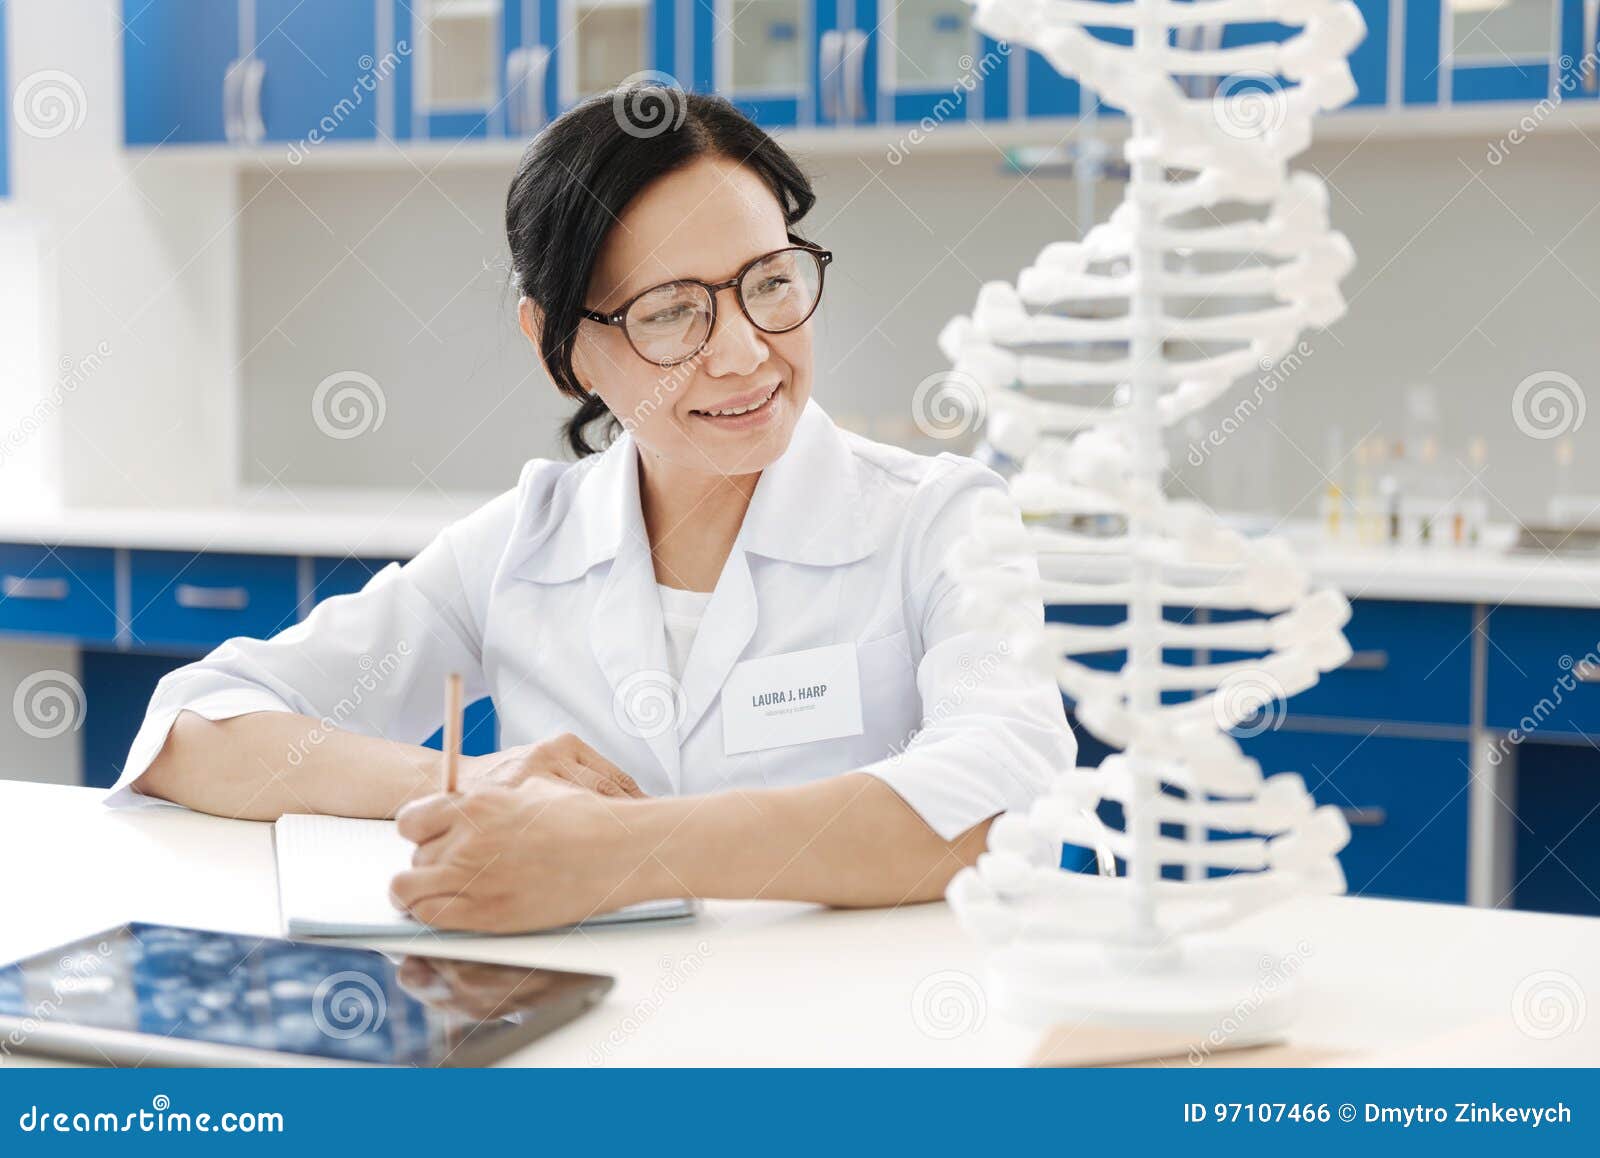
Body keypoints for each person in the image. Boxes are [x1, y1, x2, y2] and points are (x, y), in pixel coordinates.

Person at [111, 87, 1075, 933]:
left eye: (771, 283)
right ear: (560, 344)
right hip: (583, 1031)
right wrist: (465, 779)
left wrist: (622, 852)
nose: (745, 352)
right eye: (671, 312)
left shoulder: (942, 522)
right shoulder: (520, 546)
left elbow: (1001, 801)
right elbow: (189, 730)